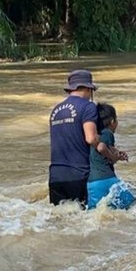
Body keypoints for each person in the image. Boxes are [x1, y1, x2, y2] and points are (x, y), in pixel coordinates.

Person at [48, 70, 119, 208]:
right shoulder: (88, 107)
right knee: (85, 222)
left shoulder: (55, 110)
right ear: (88, 88)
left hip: (56, 175)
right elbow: (91, 138)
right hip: (80, 174)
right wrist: (110, 154)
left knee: (61, 221)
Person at [86, 103, 135, 210]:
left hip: (91, 184)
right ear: (113, 121)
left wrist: (117, 153)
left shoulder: (92, 135)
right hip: (107, 179)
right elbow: (102, 148)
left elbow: (104, 148)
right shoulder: (107, 133)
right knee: (133, 207)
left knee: (95, 214)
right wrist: (113, 158)